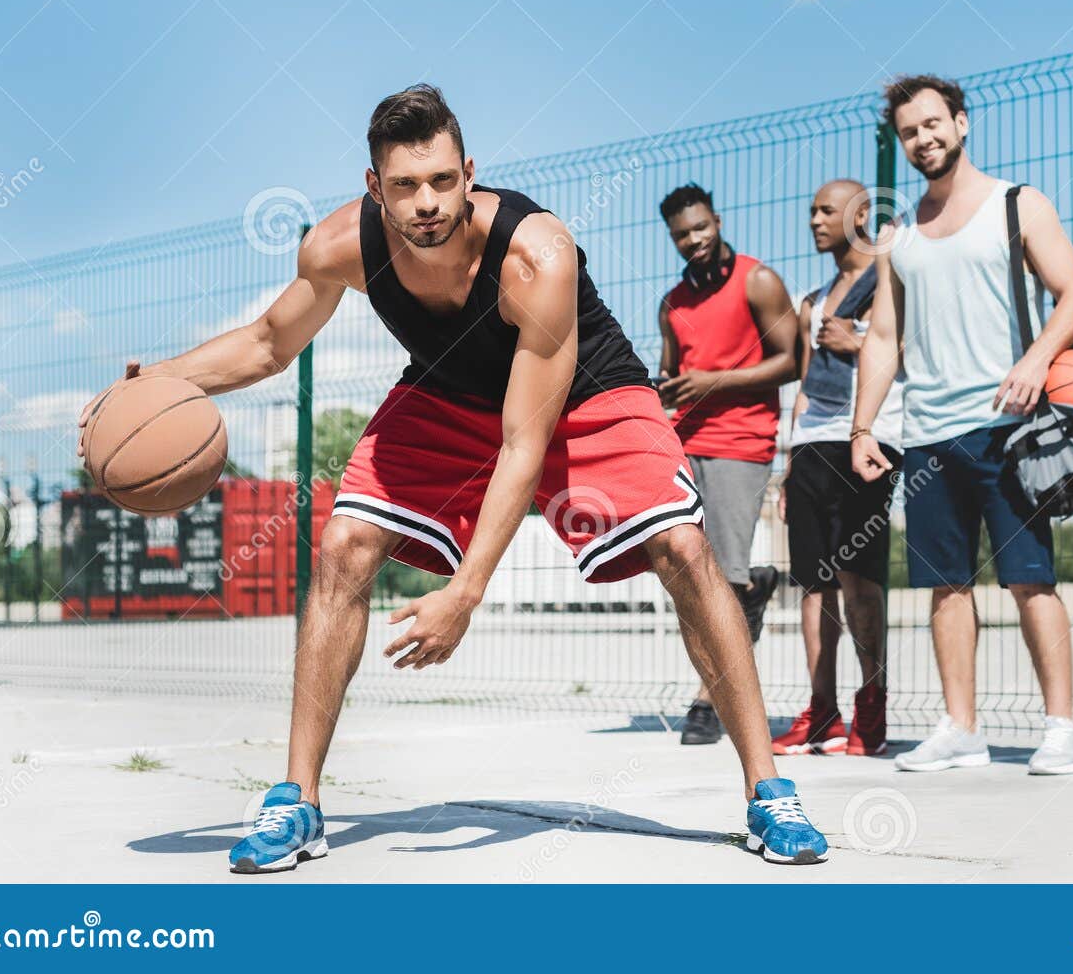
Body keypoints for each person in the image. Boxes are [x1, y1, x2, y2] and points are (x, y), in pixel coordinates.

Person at [79, 86, 827, 867]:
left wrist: (466, 592)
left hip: (582, 393)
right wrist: (154, 385)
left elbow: (524, 441)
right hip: (449, 390)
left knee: (685, 549)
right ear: (375, 188)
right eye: (404, 186)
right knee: (342, 544)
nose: (427, 202)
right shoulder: (339, 246)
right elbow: (269, 343)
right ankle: (297, 801)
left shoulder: (537, 255)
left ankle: (769, 792)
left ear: (469, 172)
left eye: (441, 180)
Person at [851, 74, 1073, 775]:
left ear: (961, 122)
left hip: (1009, 427)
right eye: (909, 132)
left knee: (1030, 578)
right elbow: (883, 338)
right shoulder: (900, 239)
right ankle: (960, 728)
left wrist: (1035, 360)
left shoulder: (1018, 204)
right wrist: (864, 428)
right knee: (945, 585)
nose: (923, 139)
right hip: (928, 432)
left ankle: (1061, 730)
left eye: (933, 124)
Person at [657, 183, 798, 746]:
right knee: (688, 572)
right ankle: (752, 597)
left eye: (699, 228)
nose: (692, 240)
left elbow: (792, 360)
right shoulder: (673, 302)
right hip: (683, 443)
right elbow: (672, 379)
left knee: (726, 578)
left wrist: (714, 383)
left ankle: (706, 701)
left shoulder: (757, 280)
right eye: (680, 235)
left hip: (742, 442)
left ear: (716, 219)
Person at [775, 179, 902, 756]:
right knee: (812, 582)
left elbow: (914, 352)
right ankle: (820, 710)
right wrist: (789, 461)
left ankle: (870, 704)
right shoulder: (814, 298)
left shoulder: (894, 278)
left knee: (860, 578)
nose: (815, 220)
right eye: (812, 211)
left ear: (858, 215)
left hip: (871, 439)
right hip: (812, 445)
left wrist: (857, 344)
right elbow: (803, 384)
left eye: (826, 210)